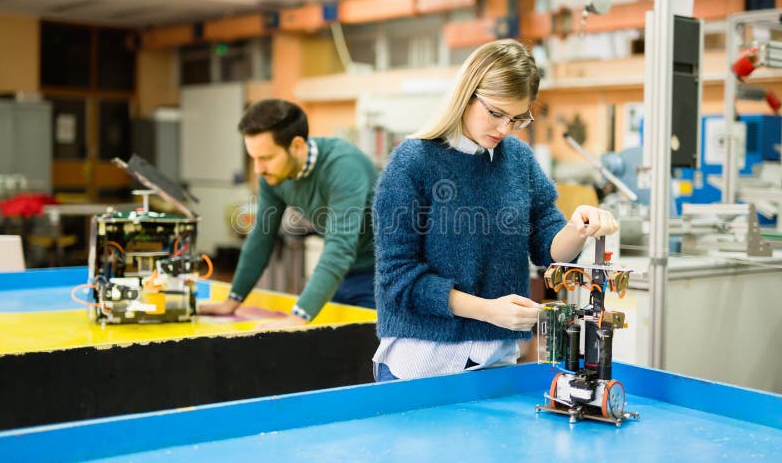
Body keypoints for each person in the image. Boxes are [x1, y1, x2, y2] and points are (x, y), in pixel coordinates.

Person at [372, 39, 619, 381]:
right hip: (421, 363)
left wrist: (579, 227)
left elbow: (549, 249)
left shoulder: (517, 160)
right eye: (495, 113)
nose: (504, 129)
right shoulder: (413, 162)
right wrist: (489, 311)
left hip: (496, 360)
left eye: (518, 118)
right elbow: (398, 279)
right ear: (467, 93)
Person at [198, 99, 378, 328]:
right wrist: (232, 301)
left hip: (380, 274)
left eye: (266, 158)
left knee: (364, 353)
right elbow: (261, 237)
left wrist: (297, 317)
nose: (258, 169)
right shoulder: (273, 177)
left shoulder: (343, 166)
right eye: (254, 158)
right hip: (342, 275)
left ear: (297, 146)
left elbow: (339, 247)